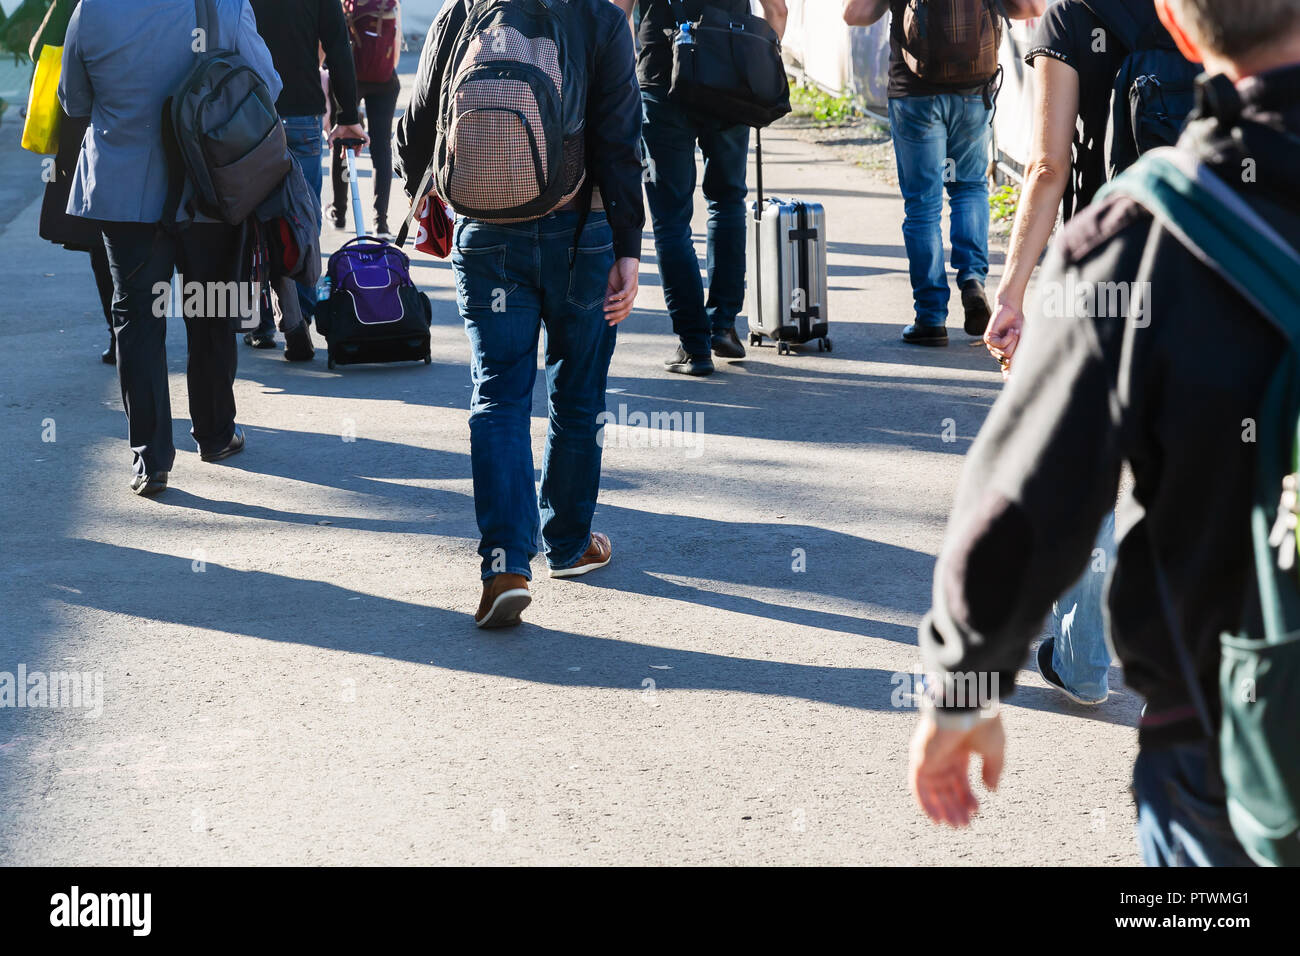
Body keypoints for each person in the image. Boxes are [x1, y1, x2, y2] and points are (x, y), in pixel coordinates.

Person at [908, 0, 1300, 867]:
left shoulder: (1139, 241)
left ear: (1182, 28)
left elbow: (1029, 499)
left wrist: (964, 691)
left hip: (1225, 748)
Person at [396, 0, 644, 627]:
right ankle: (566, 543)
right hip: (581, 233)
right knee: (578, 393)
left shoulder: (463, 13)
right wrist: (630, 250)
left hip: (488, 232)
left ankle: (505, 564)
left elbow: (418, 124)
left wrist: (425, 193)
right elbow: (619, 141)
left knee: (499, 394)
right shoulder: (600, 19)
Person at [59, 0, 282, 496]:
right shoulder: (225, 6)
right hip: (209, 185)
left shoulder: (92, 10)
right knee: (213, 308)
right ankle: (216, 433)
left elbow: (74, 101)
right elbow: (268, 84)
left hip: (125, 191)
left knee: (138, 319)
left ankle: (151, 458)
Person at [843, 0, 1047, 347]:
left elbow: (855, 14)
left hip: (914, 93)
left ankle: (931, 317)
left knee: (923, 205)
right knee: (968, 187)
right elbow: (1031, 7)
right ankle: (972, 279)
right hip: (973, 89)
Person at [620, 0, 787, 376]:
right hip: (730, 71)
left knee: (670, 220)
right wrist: (760, 61)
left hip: (661, 78)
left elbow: (616, 11)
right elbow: (778, 10)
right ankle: (722, 325)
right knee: (727, 200)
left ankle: (694, 345)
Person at [246, 0, 369, 356]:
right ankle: (299, 314)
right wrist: (347, 113)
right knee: (301, 216)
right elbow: (337, 45)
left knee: (251, 217)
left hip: (249, 113)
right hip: (302, 114)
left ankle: (260, 319)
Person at [30, 0, 115, 364]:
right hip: (159, 124)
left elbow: (40, 49)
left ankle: (119, 331)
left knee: (100, 238)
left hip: (90, 128)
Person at [329, 2, 402, 238]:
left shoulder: (346, 2)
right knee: (381, 147)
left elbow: (332, 39)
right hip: (384, 79)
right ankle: (380, 222)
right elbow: (396, 43)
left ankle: (339, 211)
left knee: (343, 138)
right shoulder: (391, 2)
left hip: (350, 76)